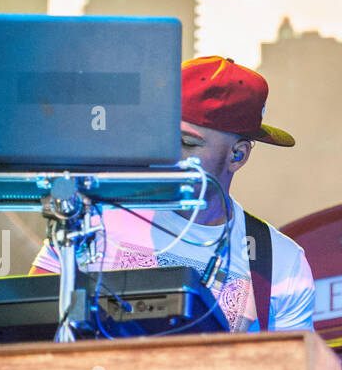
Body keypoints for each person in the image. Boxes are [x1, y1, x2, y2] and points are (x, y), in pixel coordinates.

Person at [29, 56, 316, 333]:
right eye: (162, 139)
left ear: (238, 155)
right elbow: (24, 325)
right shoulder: (94, 218)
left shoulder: (281, 262)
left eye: (187, 143)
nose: (168, 155)